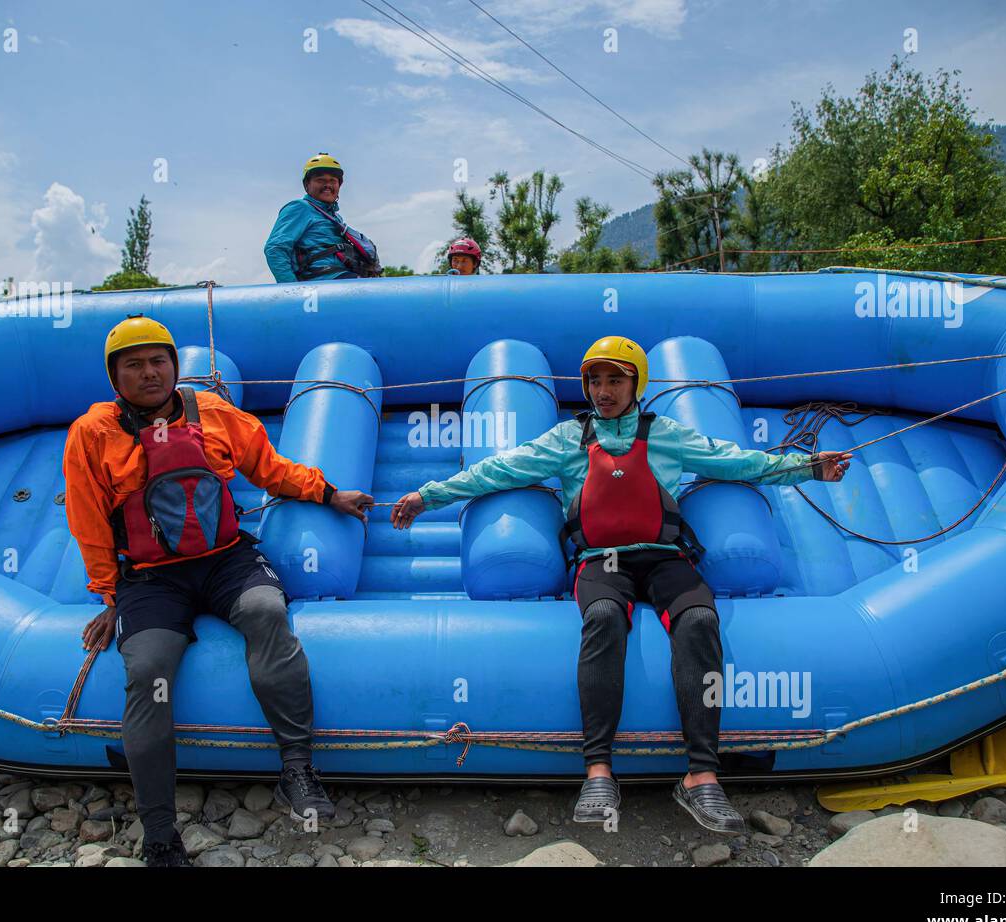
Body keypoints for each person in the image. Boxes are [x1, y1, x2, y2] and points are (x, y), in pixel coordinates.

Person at [390, 335, 851, 833]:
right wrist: (428, 495)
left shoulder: (666, 434)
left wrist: (807, 467)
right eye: (595, 380)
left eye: (615, 380)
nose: (603, 391)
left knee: (699, 619)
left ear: (637, 384)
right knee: (604, 617)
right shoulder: (568, 439)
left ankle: (701, 777)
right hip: (600, 561)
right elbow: (500, 469)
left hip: (664, 557)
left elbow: (737, 461)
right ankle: (598, 771)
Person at [62, 316, 374, 866]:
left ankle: (297, 769)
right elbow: (88, 517)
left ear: (174, 367)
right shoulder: (92, 433)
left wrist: (327, 494)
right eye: (133, 365)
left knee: (266, 612)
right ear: (115, 378)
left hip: (225, 559)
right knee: (148, 669)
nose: (149, 372)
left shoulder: (213, 412)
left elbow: (270, 468)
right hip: (152, 576)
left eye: (158, 360)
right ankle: (160, 831)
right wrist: (109, 595)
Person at [264, 153, 382, 283]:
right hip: (323, 282)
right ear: (307, 185)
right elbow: (275, 248)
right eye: (320, 180)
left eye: (333, 180)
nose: (328, 185)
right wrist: (292, 290)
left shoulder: (335, 218)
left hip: (344, 277)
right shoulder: (300, 207)